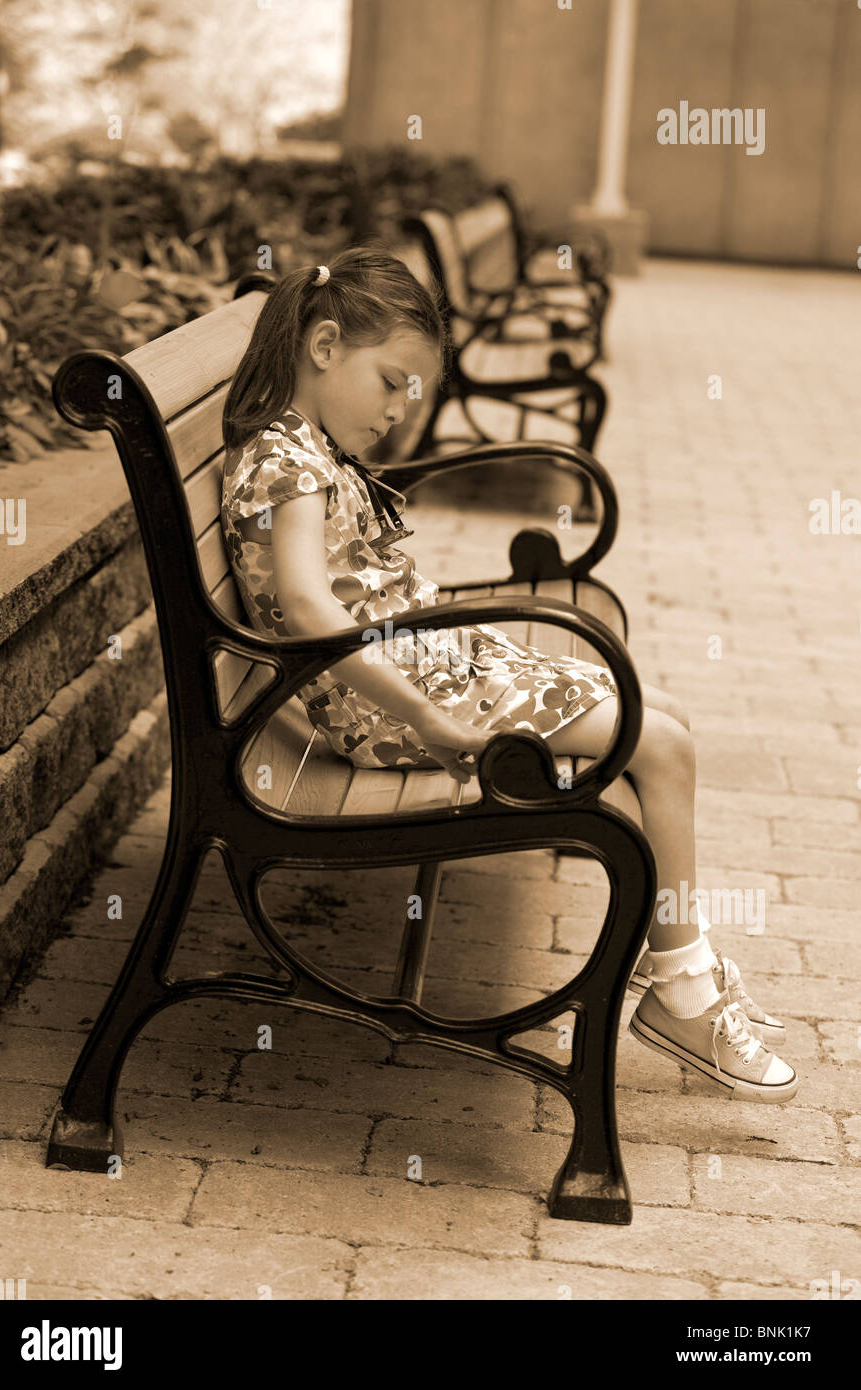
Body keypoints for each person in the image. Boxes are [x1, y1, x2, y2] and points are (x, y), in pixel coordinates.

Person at [220, 247, 798, 1105]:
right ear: (325, 344)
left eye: (412, 392)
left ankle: (682, 960)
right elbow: (309, 611)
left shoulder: (306, 449)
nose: (400, 411)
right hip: (401, 704)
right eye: (391, 383)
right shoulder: (289, 463)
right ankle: (684, 993)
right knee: (664, 749)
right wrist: (439, 722)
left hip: (430, 667)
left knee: (657, 721)